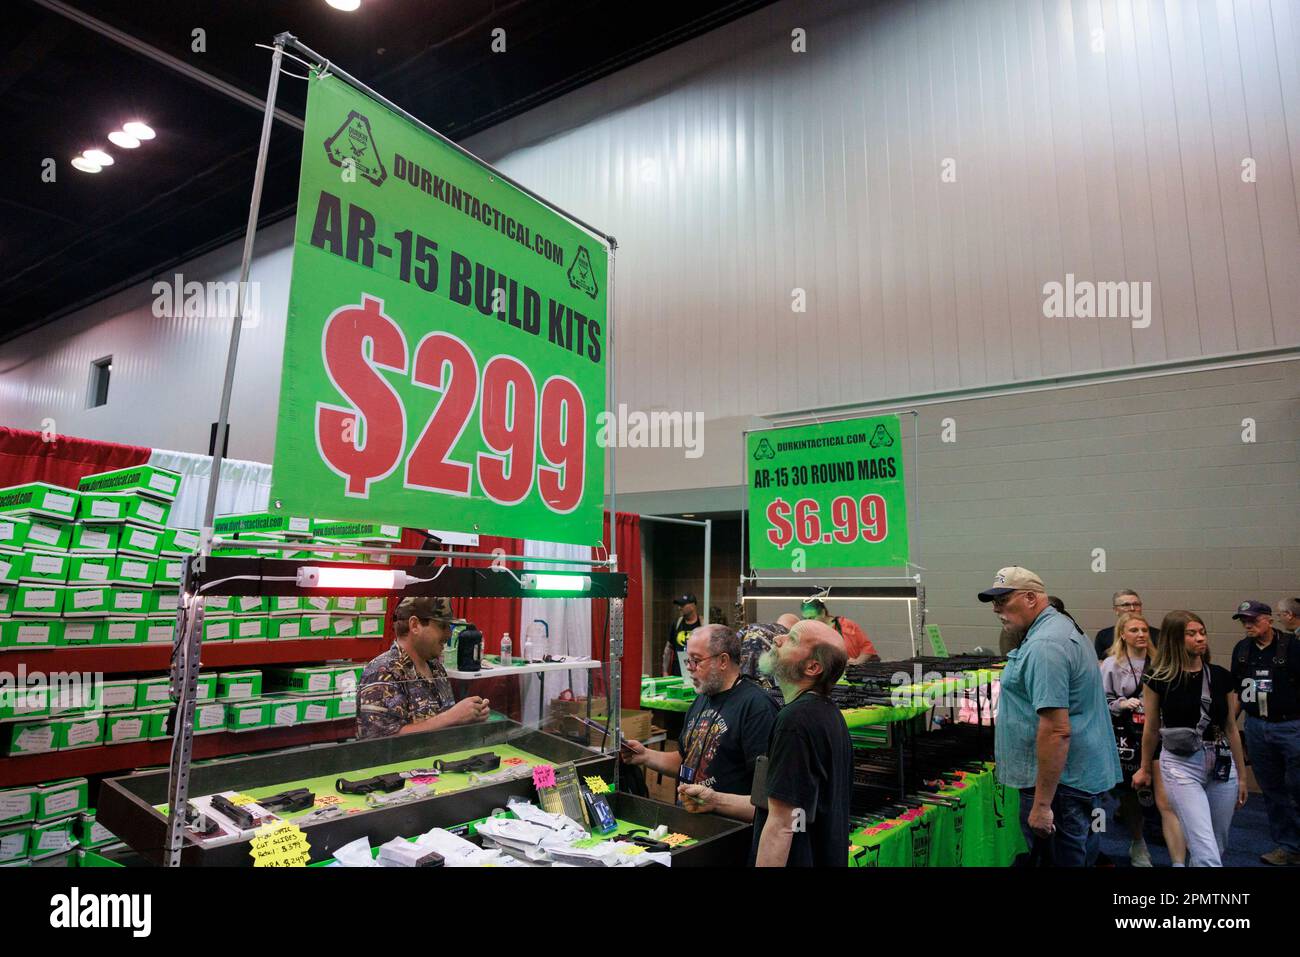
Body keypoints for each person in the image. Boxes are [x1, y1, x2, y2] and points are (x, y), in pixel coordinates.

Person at [980, 566, 1121, 866]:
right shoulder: (1060, 628)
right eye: (994, 603)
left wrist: (1042, 805)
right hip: (1073, 781)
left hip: (1060, 788)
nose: (996, 609)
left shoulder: (1045, 645)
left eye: (1003, 601)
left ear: (1031, 598)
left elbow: (1057, 731)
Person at [688, 620, 852, 866]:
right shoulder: (829, 715)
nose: (778, 639)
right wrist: (714, 800)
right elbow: (781, 803)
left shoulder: (795, 721)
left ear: (812, 667)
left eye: (792, 639)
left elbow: (781, 825)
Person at [624, 625, 778, 820]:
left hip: (728, 832)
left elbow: (768, 800)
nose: (689, 667)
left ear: (723, 661)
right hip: (691, 822)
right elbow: (686, 759)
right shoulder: (703, 698)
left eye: (696, 660)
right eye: (688, 660)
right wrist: (645, 755)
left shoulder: (757, 708)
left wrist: (716, 801)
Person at [1134, 611, 1247, 867]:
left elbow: (1231, 727)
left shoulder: (1219, 676)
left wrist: (1241, 775)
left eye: (1202, 632)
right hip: (1180, 764)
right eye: (1191, 633)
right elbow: (1151, 728)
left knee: (1216, 844)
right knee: (1205, 847)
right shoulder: (1157, 678)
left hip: (1221, 761)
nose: (1200, 638)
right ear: (1175, 639)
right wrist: (1144, 769)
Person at [356, 597, 490, 738]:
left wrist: (469, 715)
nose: (449, 635)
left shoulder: (436, 668)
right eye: (442, 626)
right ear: (415, 625)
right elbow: (378, 742)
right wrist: (451, 717)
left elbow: (442, 725)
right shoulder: (382, 672)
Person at [1229, 600, 1300, 866]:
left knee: (1297, 785)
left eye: (1254, 619)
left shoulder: (1293, 647)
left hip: (1291, 726)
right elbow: (1236, 692)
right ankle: (1289, 846)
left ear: (1269, 620)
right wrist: (1229, 726)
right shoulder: (1242, 650)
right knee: (1272, 789)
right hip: (1257, 726)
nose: (1248, 624)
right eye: (1244, 620)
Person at [1100, 612, 1162, 866]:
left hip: (1158, 735)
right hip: (1127, 737)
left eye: (1144, 630)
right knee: (1131, 793)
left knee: (1163, 793)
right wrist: (1123, 703)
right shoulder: (1112, 664)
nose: (1141, 635)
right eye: (1134, 630)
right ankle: (1138, 842)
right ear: (1123, 635)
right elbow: (1103, 701)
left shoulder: (1159, 662)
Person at [803, 593, 879, 663]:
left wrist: (858, 661)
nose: (808, 621)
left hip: (854, 672)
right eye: (805, 618)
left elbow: (867, 648)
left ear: (823, 613)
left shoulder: (846, 625)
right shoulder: (810, 633)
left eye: (812, 618)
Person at [736, 614, 799, 689]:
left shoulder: (748, 628)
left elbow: (731, 646)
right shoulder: (784, 637)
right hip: (766, 689)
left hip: (738, 684)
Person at [1094, 590, 1159, 661]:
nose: (1132, 609)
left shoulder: (1158, 635)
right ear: (1116, 610)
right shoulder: (1103, 635)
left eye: (1136, 604)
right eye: (1126, 605)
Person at [663, 593, 701, 677]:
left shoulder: (702, 624)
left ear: (693, 605)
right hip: (677, 670)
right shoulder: (676, 624)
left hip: (697, 670)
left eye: (683, 605)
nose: (679, 608)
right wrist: (665, 671)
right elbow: (668, 649)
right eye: (679, 605)